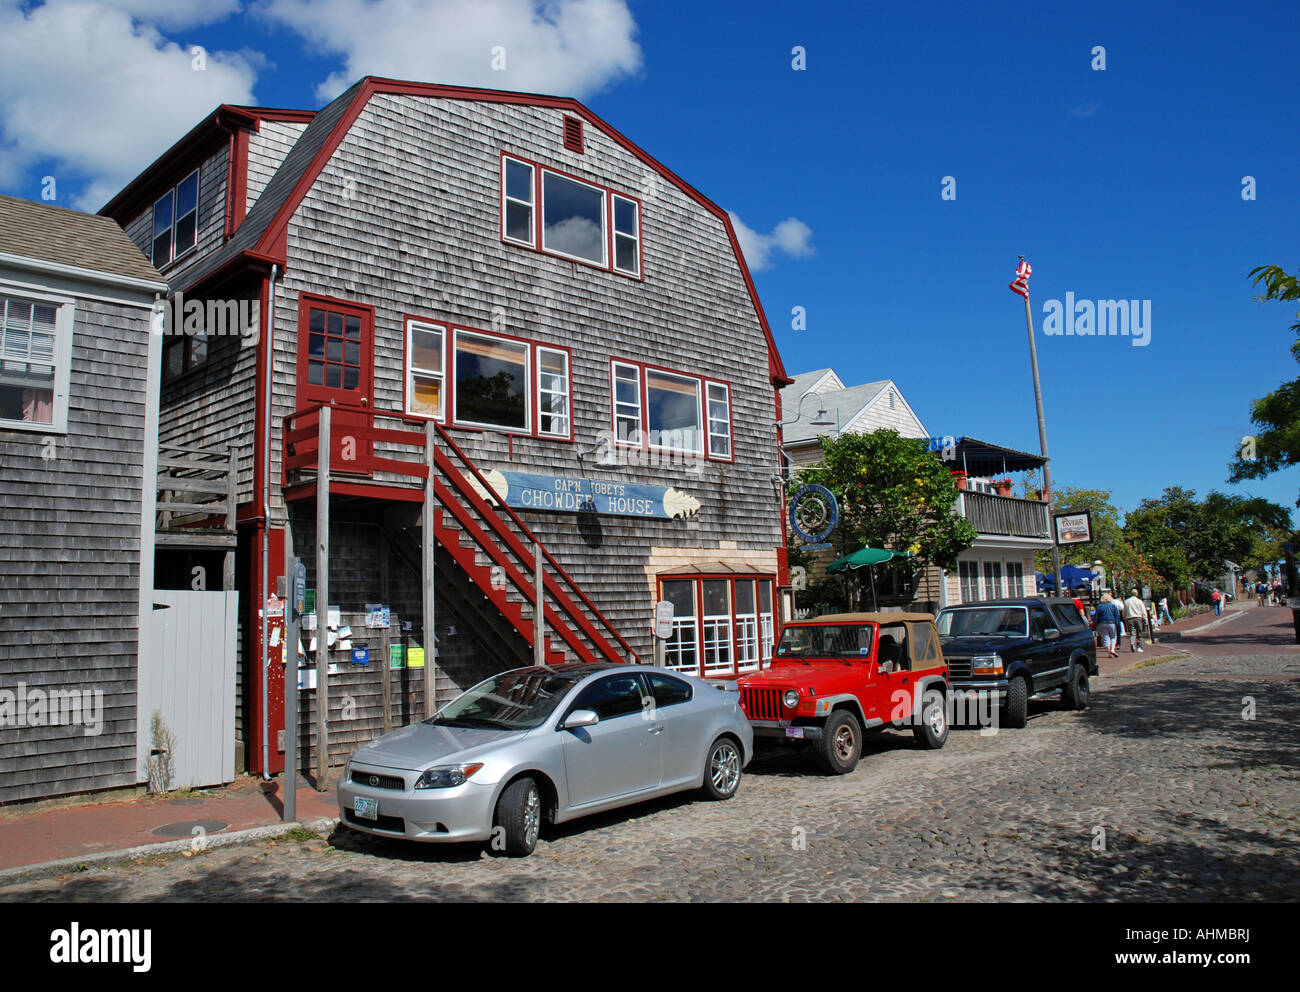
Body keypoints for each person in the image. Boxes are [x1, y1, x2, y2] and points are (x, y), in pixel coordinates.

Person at [1094, 592, 1123, 658]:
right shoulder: (1113, 605)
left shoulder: (1099, 606)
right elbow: (1117, 616)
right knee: (1113, 636)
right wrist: (1118, 624)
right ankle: (1112, 649)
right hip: (1111, 622)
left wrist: (1095, 624)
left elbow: (1096, 616)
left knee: (1105, 637)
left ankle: (1109, 653)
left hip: (1101, 623)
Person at [1122, 588, 1148, 652]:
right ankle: (1139, 647)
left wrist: (1124, 617)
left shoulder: (1126, 601)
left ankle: (1132, 643)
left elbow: (1124, 610)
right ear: (1137, 594)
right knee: (1139, 632)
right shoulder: (1139, 601)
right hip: (1138, 617)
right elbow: (1143, 610)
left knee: (1132, 632)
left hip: (1129, 618)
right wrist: (1145, 618)